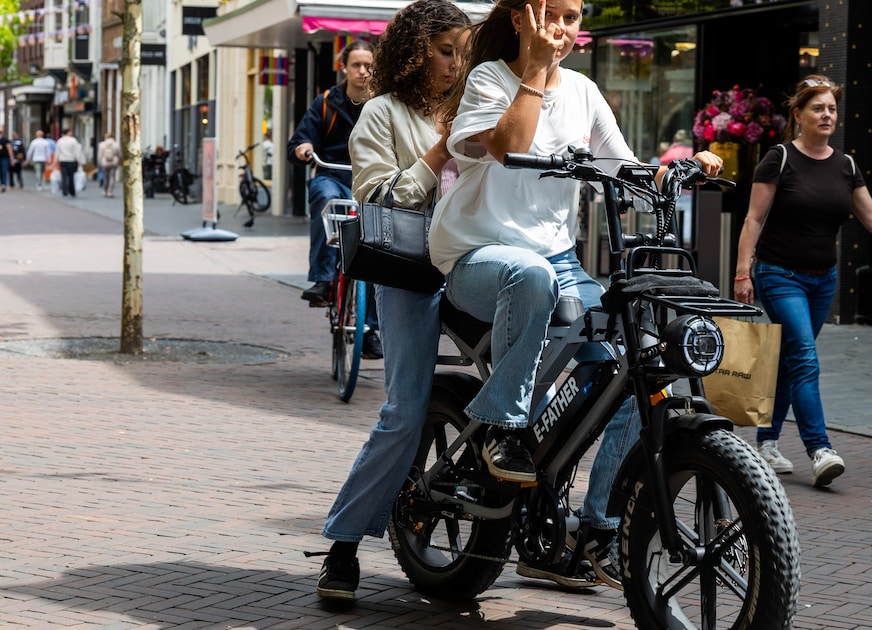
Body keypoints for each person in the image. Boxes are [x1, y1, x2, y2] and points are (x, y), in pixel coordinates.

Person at [427, 0, 724, 589]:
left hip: (559, 262)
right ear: (520, 19)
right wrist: (534, 68)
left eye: (571, 17)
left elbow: (626, 171)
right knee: (531, 278)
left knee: (638, 359)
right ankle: (506, 433)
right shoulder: (488, 80)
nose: (561, 28)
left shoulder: (585, 91)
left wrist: (679, 168)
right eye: (550, 15)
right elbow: (509, 144)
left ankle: (596, 527)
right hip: (478, 254)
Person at [312, 0, 473, 601]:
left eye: (463, 52)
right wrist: (439, 152)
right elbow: (382, 201)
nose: (456, 65)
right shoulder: (380, 113)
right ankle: (344, 546)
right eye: (444, 51)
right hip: (409, 269)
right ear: (413, 50)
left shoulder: (476, 105)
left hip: (476, 264)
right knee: (404, 410)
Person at [733, 76, 872, 488]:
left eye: (831, 108)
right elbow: (753, 219)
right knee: (806, 359)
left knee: (793, 362)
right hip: (778, 276)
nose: (827, 115)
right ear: (798, 115)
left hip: (822, 281)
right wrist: (743, 272)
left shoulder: (845, 165)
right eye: (818, 108)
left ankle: (767, 442)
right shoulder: (778, 158)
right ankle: (820, 448)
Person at [287, 38, 383, 360]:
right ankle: (324, 279)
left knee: (375, 249)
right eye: (356, 64)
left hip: (370, 180)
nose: (362, 71)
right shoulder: (326, 103)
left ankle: (369, 331)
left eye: (368, 64)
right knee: (324, 197)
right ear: (344, 67)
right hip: (333, 176)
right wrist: (303, 148)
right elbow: (299, 141)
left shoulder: (382, 104)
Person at [55, 128, 85, 198]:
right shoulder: (73, 141)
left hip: (63, 160)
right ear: (68, 132)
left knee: (64, 176)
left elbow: (57, 152)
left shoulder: (60, 141)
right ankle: (72, 191)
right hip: (72, 161)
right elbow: (76, 152)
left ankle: (65, 191)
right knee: (71, 177)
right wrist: (79, 161)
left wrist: (55, 161)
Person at [98, 133, 121, 198]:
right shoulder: (116, 144)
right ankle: (110, 192)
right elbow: (119, 154)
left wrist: (100, 162)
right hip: (114, 162)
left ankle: (104, 191)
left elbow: (100, 155)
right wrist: (119, 160)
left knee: (105, 177)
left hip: (104, 162)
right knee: (112, 177)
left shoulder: (101, 144)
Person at [0, 127, 12, 193]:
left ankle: (3, 184)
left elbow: (9, 149)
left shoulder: (5, 140)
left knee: (3, 171)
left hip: (4, 158)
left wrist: (11, 159)